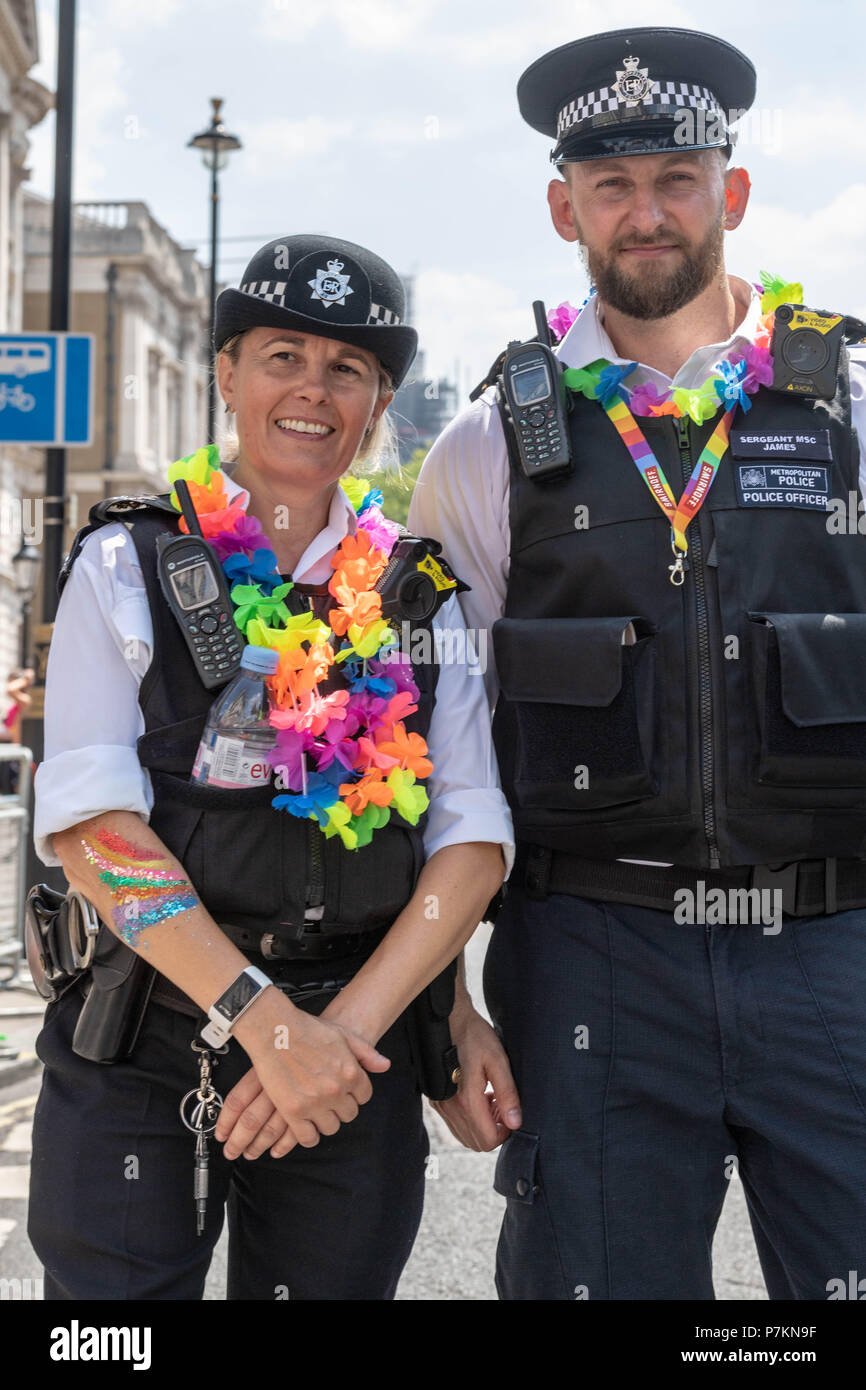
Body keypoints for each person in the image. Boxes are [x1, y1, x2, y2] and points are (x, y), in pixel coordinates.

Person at [409, 26, 866, 1300]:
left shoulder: (849, 404)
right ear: (565, 209)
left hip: (832, 942)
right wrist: (443, 1005)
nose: (645, 211)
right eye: (611, 185)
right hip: (592, 950)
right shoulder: (488, 446)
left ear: (730, 192)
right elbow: (434, 746)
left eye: (674, 177)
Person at [28, 233, 514, 1301]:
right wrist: (259, 1016)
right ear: (225, 375)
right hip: (145, 1038)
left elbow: (469, 841)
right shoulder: (127, 561)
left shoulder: (419, 597)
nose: (313, 389)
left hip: (354, 1051)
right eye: (282, 355)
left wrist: (338, 1037)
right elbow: (95, 831)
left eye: (348, 369)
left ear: (379, 403)